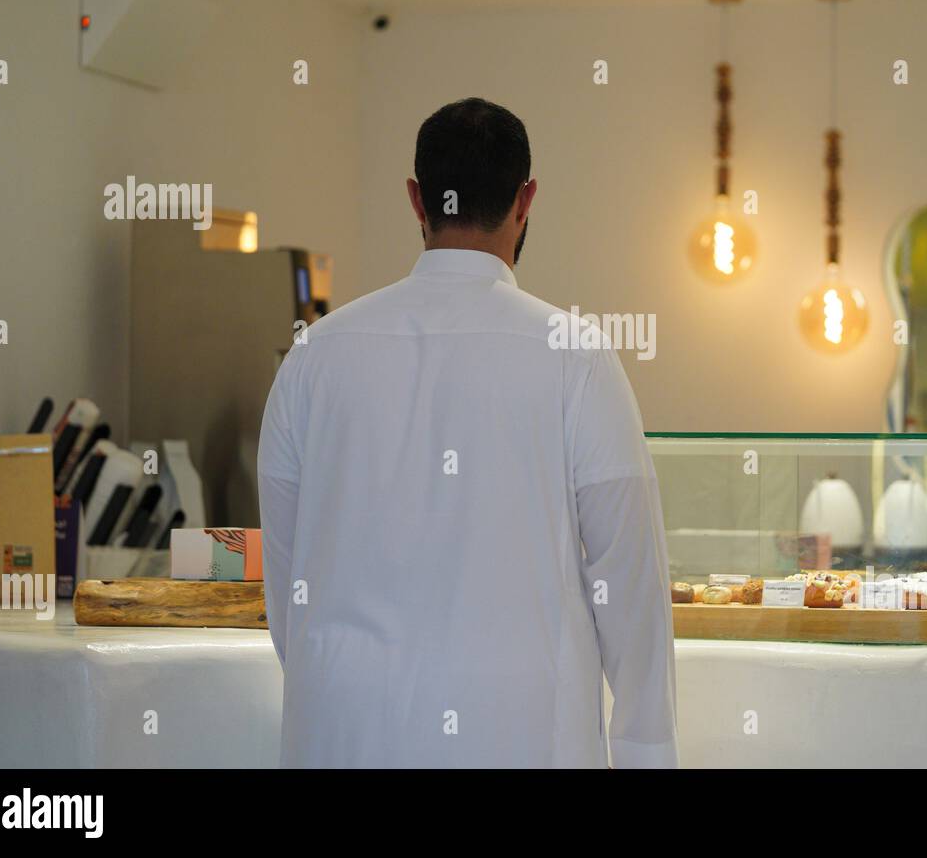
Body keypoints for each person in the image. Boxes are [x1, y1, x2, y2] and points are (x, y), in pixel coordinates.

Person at [257, 98, 677, 768]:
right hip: (521, 728)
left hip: (343, 727)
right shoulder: (577, 356)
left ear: (416, 199)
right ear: (526, 198)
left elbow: (288, 580)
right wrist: (645, 751)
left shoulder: (313, 356)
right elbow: (629, 584)